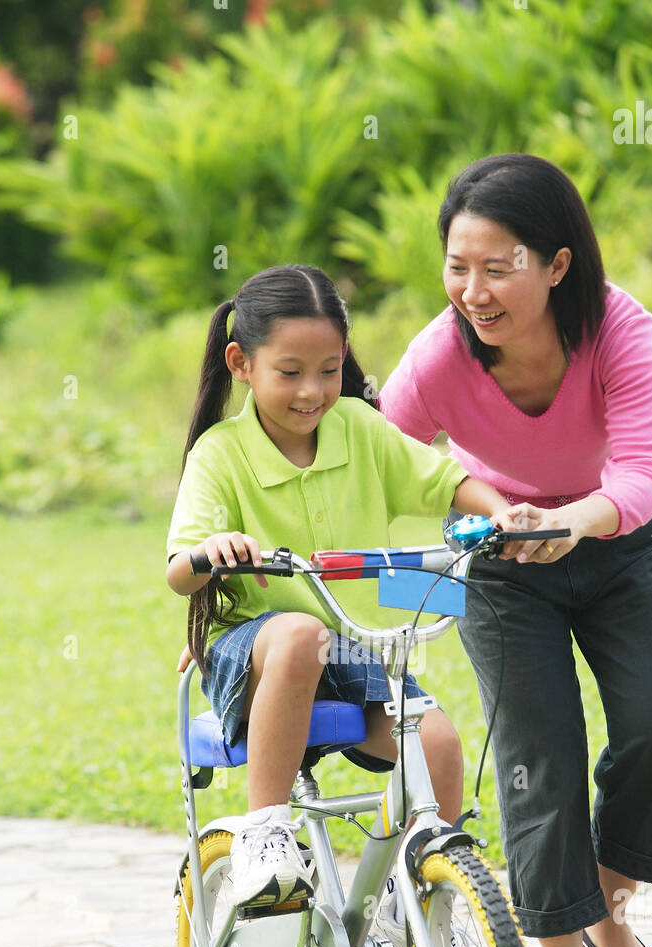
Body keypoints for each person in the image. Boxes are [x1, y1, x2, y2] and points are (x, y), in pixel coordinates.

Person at [378, 153, 652, 947]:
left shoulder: (616, 328)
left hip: (621, 542)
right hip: (504, 562)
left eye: (498, 267)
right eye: (457, 266)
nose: (472, 291)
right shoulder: (440, 354)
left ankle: (605, 912)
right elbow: (386, 455)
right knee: (538, 755)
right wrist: (483, 511)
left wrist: (574, 522)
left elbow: (643, 469)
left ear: (557, 264)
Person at [166, 263, 515, 913]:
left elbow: (444, 483)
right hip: (257, 650)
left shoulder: (358, 427)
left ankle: (411, 904)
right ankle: (265, 833)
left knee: (436, 745)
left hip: (356, 650)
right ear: (241, 363)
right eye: (290, 372)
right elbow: (179, 568)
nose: (313, 390)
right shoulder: (221, 454)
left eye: (329, 370)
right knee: (301, 633)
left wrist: (501, 512)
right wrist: (211, 553)